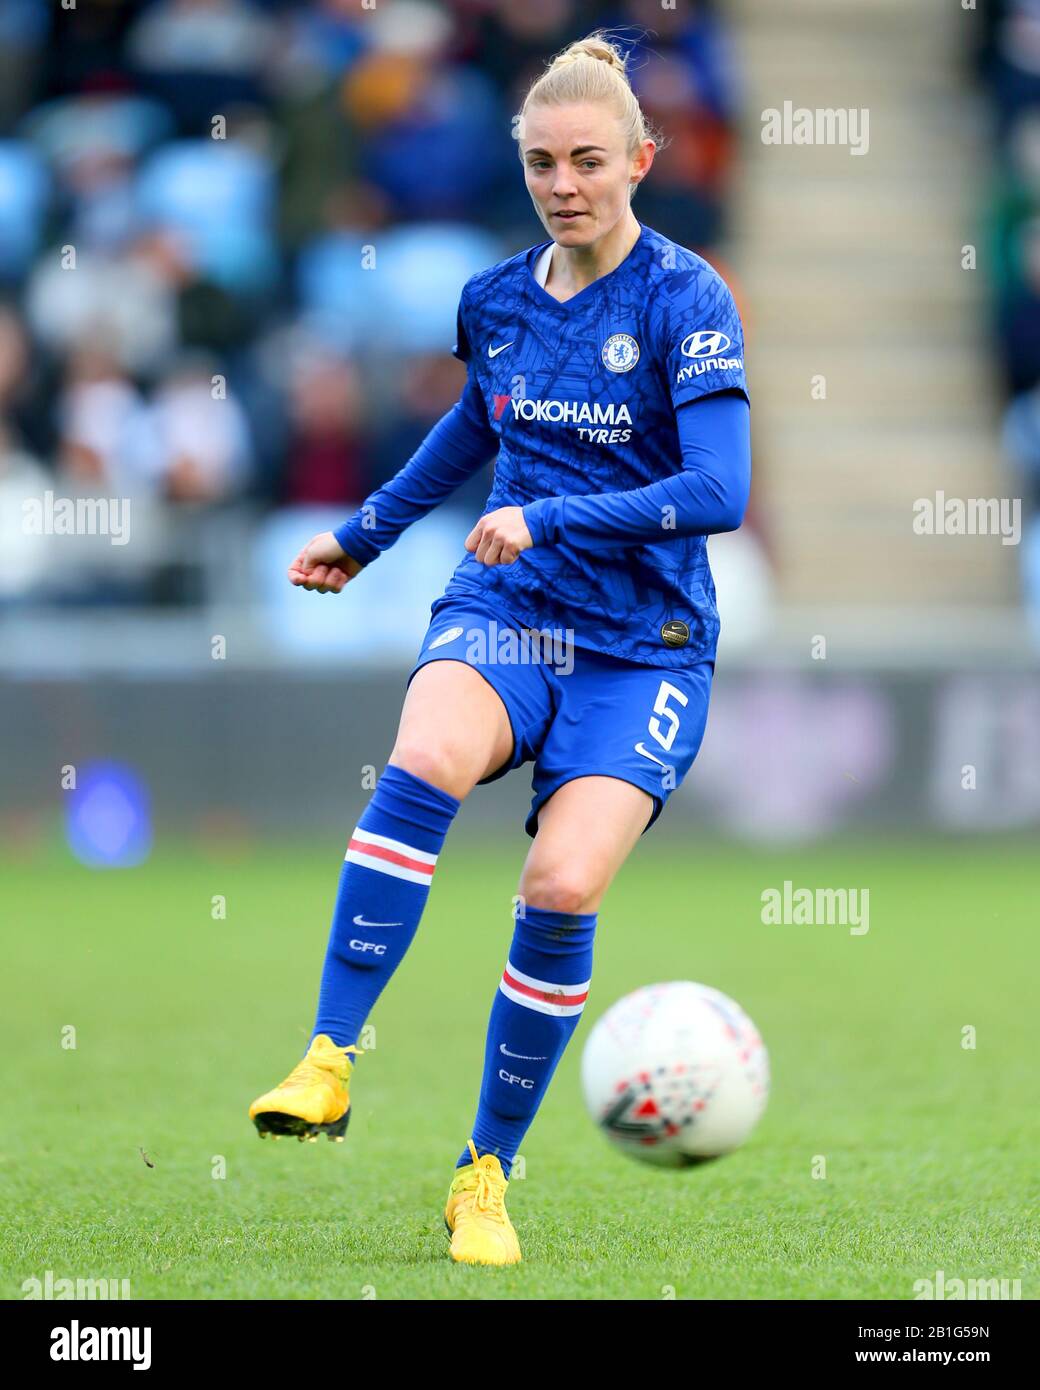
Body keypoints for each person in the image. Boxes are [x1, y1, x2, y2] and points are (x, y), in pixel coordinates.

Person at [248, 30, 751, 1267]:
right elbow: (473, 426)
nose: (563, 185)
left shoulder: (687, 297)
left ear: (639, 158)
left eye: (587, 161)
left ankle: (484, 1174)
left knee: (561, 888)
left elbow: (719, 488)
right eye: (539, 164)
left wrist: (555, 513)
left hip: (646, 643)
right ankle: (328, 1055)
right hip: (507, 611)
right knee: (423, 753)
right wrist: (366, 535)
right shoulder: (496, 300)